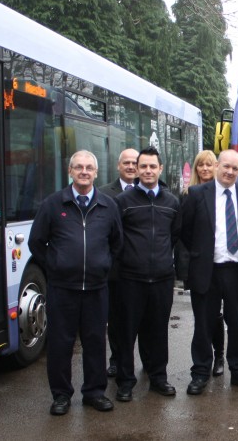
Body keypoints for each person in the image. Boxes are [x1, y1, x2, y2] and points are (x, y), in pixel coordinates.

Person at [28, 150, 122, 416]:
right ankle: (61, 395)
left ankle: (94, 392)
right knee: (60, 343)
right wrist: (56, 266)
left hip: (96, 289)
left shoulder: (108, 206)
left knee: (95, 341)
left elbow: (117, 243)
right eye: (78, 167)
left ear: (96, 172)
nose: (84, 171)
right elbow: (37, 242)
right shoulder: (53, 204)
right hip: (62, 289)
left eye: (89, 167)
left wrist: (102, 266)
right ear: (70, 171)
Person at [181, 149, 238, 395]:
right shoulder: (196, 194)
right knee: (204, 325)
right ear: (217, 166)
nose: (229, 172)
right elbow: (186, 231)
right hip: (207, 270)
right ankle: (200, 373)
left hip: (237, 271)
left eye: (235, 169)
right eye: (225, 166)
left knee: (237, 325)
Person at [113, 146, 181, 402]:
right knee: (126, 332)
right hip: (130, 279)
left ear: (160, 169)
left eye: (153, 166)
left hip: (162, 279)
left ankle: (158, 378)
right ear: (136, 170)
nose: (148, 170)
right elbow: (115, 238)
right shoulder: (122, 202)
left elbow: (175, 235)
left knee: (158, 331)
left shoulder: (171, 202)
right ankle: (125, 381)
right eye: (143, 166)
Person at [177, 150, 227, 377]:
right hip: (197, 265)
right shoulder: (188, 194)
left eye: (209, 165)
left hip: (219, 265)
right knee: (201, 316)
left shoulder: (224, 192)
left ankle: (219, 356)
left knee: (216, 314)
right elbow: (184, 231)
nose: (205, 169)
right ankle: (202, 362)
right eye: (201, 166)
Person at [98, 148, 139, 379]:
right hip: (115, 268)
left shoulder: (151, 192)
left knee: (139, 318)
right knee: (115, 318)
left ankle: (140, 360)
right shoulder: (104, 193)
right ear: (118, 166)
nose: (131, 167)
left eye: (135, 162)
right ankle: (116, 359)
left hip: (139, 267)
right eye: (126, 163)